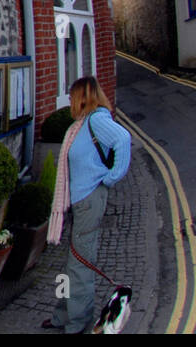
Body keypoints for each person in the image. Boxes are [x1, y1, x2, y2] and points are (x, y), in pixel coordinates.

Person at [42, 75, 131, 333]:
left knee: (80, 264)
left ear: (82, 98)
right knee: (73, 261)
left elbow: (123, 139)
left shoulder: (96, 120)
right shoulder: (81, 124)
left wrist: (111, 177)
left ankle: (77, 324)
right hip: (80, 202)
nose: (69, 101)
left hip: (90, 200)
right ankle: (63, 317)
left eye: (71, 96)